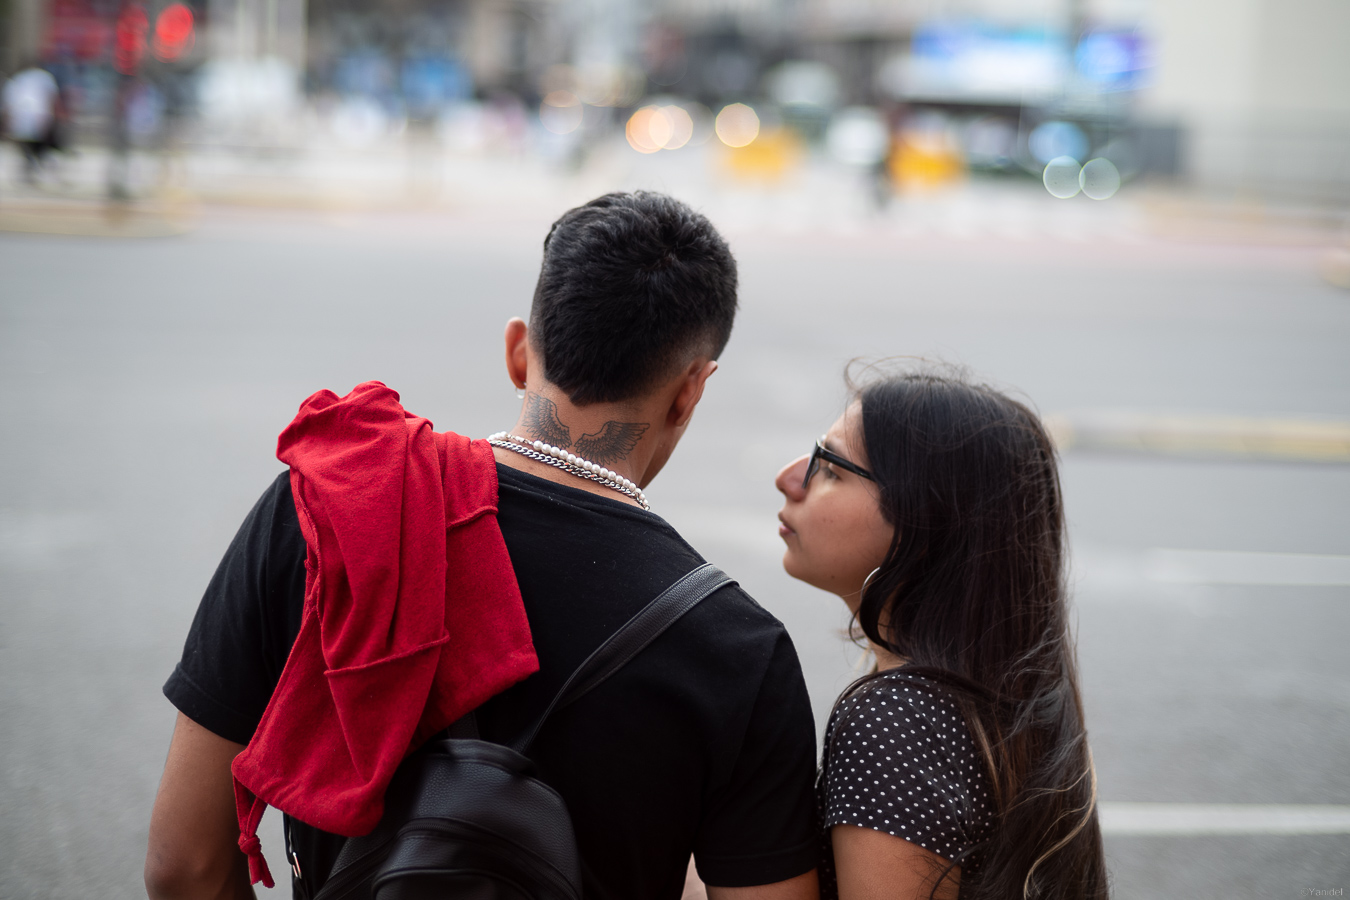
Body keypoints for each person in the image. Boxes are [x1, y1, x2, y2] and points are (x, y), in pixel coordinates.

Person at [145, 191, 820, 900]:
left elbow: (184, 864)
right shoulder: (737, 650)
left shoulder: (330, 505)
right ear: (691, 392)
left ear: (519, 351)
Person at [773, 368, 1108, 900]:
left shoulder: (894, 720)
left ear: (924, 521)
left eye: (830, 467)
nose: (790, 477)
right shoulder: (1007, 698)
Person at [2, 61, 62, 183]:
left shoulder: (17, 78)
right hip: (38, 114)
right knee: (38, 145)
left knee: (28, 145)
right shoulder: (43, 77)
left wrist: (7, 122)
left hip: (22, 116)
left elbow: (9, 103)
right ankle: (35, 166)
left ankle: (32, 166)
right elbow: (51, 96)